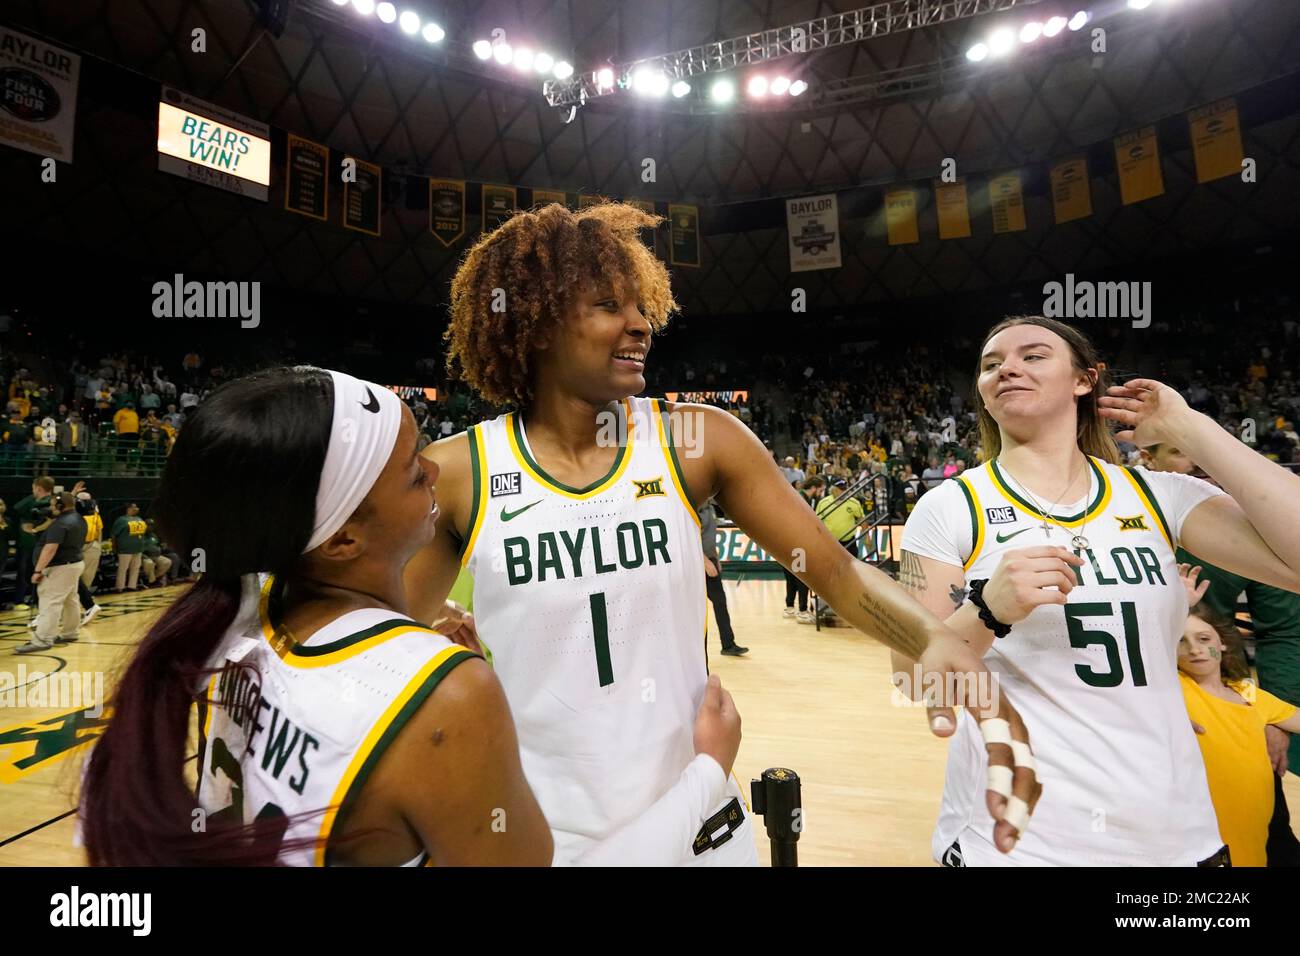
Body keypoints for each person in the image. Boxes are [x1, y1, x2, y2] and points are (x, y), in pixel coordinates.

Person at [404, 202, 1039, 866]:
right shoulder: (457, 473)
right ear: (533, 324)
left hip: (702, 826)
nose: (639, 324)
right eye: (606, 306)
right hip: (542, 837)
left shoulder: (697, 441)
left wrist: (941, 646)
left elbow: (837, 573)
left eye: (638, 305)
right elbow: (377, 648)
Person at [80, 366, 743, 867]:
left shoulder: (239, 624)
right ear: (341, 539)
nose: (433, 469)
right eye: (408, 471)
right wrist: (708, 775)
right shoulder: (443, 696)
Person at [893, 315, 1300, 866]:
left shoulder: (1160, 497)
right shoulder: (948, 507)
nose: (1007, 368)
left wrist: (1191, 428)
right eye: (991, 364)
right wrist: (988, 612)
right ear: (984, 395)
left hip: (1177, 834)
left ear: (1086, 380)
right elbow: (912, 678)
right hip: (1025, 842)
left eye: (1033, 356)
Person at [1144, 441, 1300, 865]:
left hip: (1221, 704)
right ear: (1148, 460)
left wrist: (1274, 720)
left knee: (1268, 834)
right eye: (1180, 451)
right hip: (1137, 714)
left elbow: (1284, 629)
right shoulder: (1109, 513)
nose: (1199, 461)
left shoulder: (1254, 526)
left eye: (1206, 453)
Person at [1178, 601, 1300, 866]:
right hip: (1202, 841)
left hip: (1253, 839)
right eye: (1180, 641)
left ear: (1222, 642)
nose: (1195, 649)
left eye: (1203, 638)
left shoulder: (1252, 696)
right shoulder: (1175, 689)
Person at [16, 491, 86, 653]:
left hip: (59, 568)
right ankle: (70, 632)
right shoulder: (78, 518)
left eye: (53, 504)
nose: (50, 507)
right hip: (74, 563)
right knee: (71, 599)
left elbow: (50, 549)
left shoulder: (60, 524)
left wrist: (38, 570)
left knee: (50, 602)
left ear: (61, 506)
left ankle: (43, 639)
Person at [699, 498, 748, 656]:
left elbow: (709, 539)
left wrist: (716, 559)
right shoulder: (694, 510)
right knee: (698, 608)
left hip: (710, 560)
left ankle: (728, 644)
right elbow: (690, 540)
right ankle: (723, 645)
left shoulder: (711, 508)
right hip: (698, 562)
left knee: (720, 602)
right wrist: (706, 562)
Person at [12, 475, 55, 609]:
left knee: (31, 572)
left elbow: (17, 508)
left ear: (38, 488)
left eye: (34, 488)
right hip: (40, 544)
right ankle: (33, 601)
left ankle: (32, 601)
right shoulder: (53, 501)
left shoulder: (43, 503)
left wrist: (35, 529)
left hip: (36, 544)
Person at [815, 478, 865, 557]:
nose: (844, 491)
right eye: (841, 489)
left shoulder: (854, 502)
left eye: (845, 488)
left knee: (851, 565)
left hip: (849, 541)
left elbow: (861, 519)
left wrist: (867, 537)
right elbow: (817, 522)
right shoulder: (823, 503)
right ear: (833, 490)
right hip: (829, 541)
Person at [111, 502, 147, 591]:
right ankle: (120, 587)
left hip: (138, 549)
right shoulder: (121, 520)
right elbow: (114, 535)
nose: (136, 509)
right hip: (125, 549)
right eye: (134, 507)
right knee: (123, 568)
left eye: (137, 507)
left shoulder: (139, 519)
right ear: (128, 509)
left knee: (135, 568)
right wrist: (114, 547)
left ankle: (132, 586)